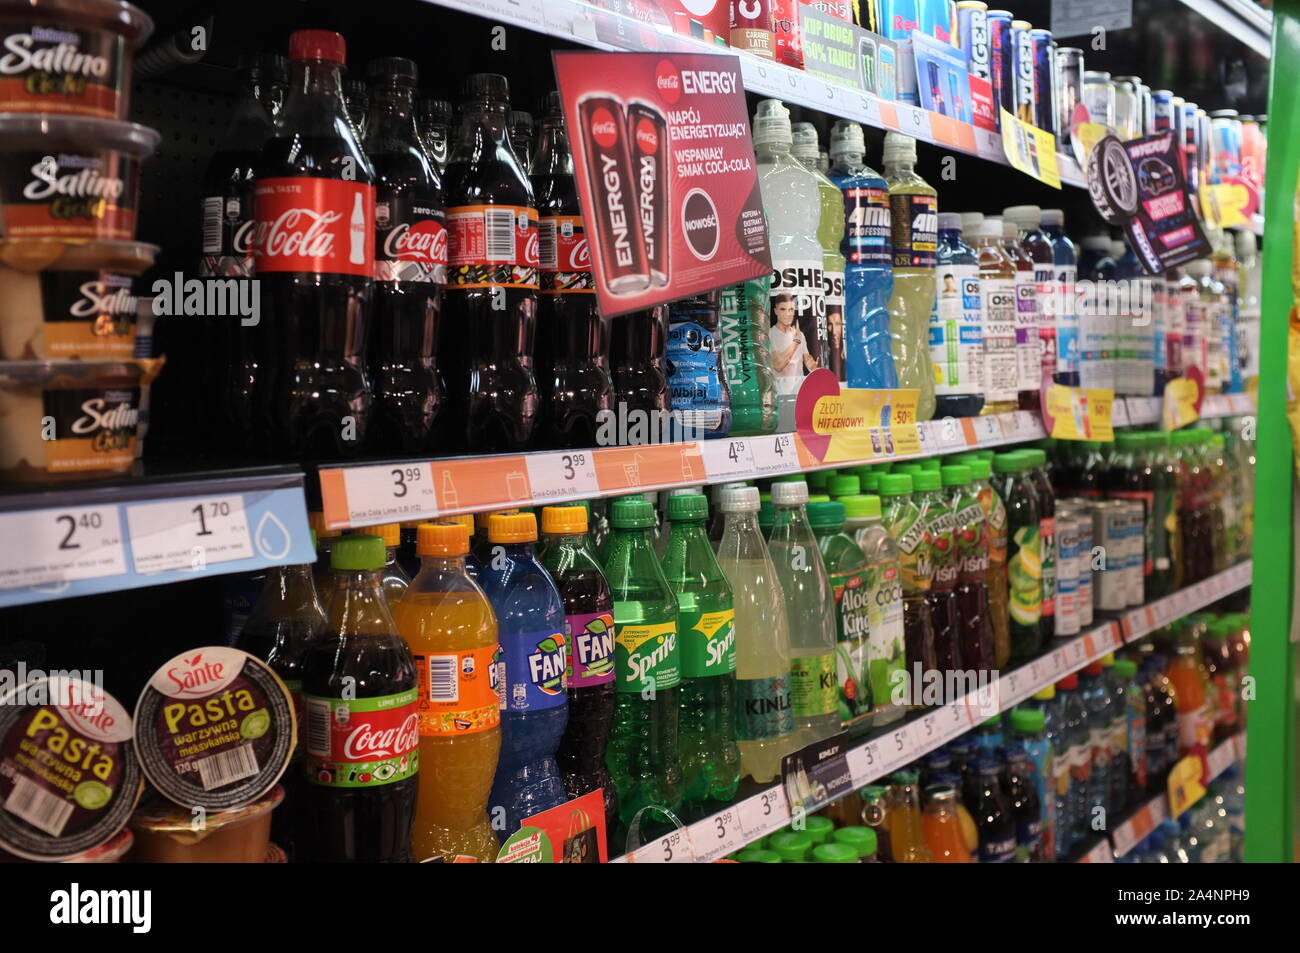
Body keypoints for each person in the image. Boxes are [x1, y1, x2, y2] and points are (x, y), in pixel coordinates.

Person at [770, 293, 816, 391]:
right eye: (783, 309)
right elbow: (778, 365)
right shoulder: (770, 334)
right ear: (775, 311)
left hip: (799, 392)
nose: (787, 314)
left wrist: (813, 366)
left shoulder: (800, 335)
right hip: (779, 393)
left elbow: (807, 361)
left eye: (791, 309)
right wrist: (795, 342)